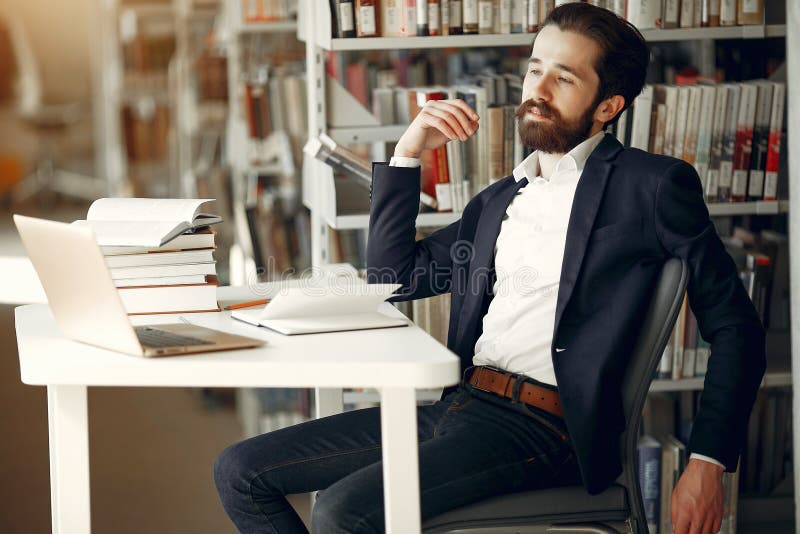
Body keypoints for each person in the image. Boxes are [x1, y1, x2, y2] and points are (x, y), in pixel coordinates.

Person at [214, 4, 765, 533]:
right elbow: (393, 278)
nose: (537, 91)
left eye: (564, 78)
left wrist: (707, 459)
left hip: (545, 428)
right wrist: (408, 151)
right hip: (461, 404)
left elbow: (735, 326)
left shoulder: (651, 186)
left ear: (607, 106)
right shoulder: (502, 198)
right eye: (534, 69)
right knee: (241, 472)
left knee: (341, 513)